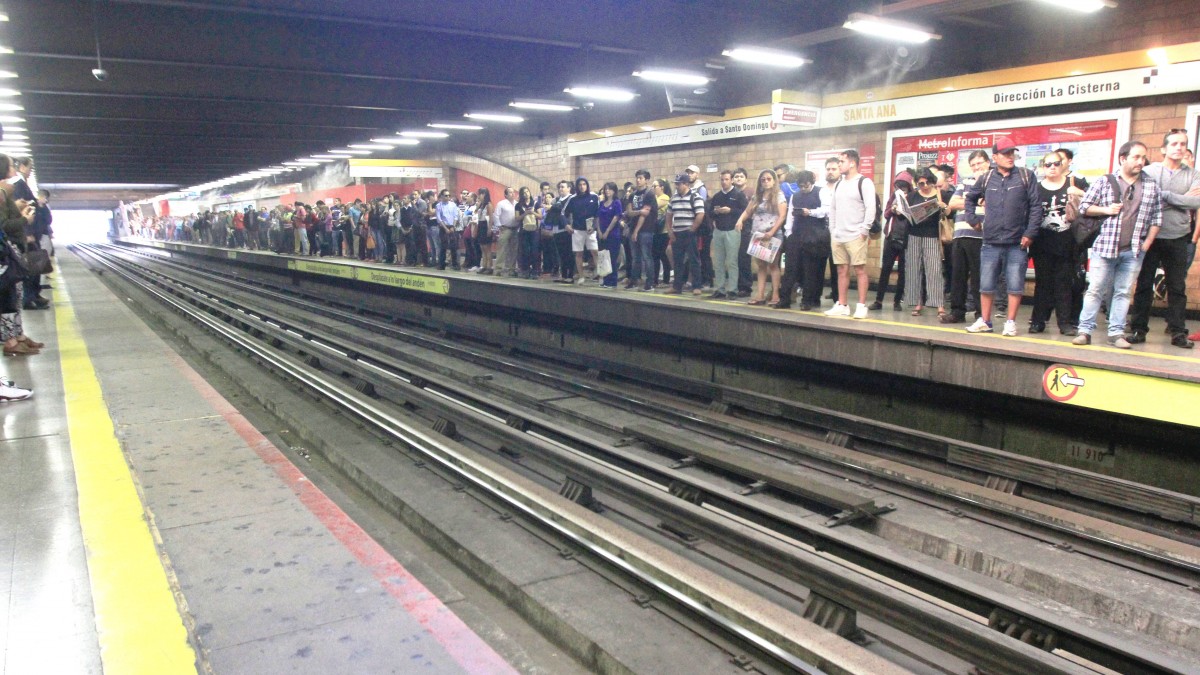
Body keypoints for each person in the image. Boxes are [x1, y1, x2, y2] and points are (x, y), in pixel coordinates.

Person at [1072, 141, 1162, 349]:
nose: (1141, 162)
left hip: (1133, 250)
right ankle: (1085, 331)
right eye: (1136, 157)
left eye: (1143, 157)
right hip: (1105, 247)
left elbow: (1157, 218)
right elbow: (1084, 207)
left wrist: (1147, 243)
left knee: (1123, 291)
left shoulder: (1150, 185)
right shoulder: (1105, 181)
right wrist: (1106, 210)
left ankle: (1116, 333)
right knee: (1095, 290)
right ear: (1123, 158)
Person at [1127, 129, 1200, 348]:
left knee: (1177, 287)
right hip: (1151, 236)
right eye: (1174, 144)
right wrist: (1181, 199)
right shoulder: (1149, 172)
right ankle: (1138, 329)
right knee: (1144, 284)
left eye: (1183, 144)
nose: (1179, 147)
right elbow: (1144, 199)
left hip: (1178, 236)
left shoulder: (1193, 174)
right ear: (1163, 149)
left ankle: (1178, 332)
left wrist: (1164, 196)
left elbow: (1196, 202)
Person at [963, 137, 1043, 336]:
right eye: (1005, 153)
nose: (1010, 157)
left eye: (1012, 153)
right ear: (995, 157)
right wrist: (972, 219)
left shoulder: (1026, 176)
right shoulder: (986, 178)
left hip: (1017, 241)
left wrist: (1030, 233)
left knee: (1015, 285)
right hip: (990, 241)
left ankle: (1010, 322)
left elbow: (1036, 206)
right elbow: (970, 198)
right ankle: (985, 321)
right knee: (986, 284)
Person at [1028, 151, 1085, 335]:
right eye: (1048, 164)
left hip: (1067, 241)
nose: (1052, 167)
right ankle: (1038, 321)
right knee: (1042, 283)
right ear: (1042, 167)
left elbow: (1093, 201)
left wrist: (1079, 193)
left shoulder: (1073, 183)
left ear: (1063, 165)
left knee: (1064, 283)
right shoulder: (1036, 188)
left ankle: (1065, 323)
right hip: (1042, 242)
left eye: (1056, 164)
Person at [825, 149, 876, 319]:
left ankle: (861, 306)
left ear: (852, 163)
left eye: (842, 161)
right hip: (838, 235)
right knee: (841, 270)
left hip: (856, 235)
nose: (839, 164)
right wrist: (833, 230)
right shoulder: (839, 184)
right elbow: (833, 209)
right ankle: (842, 304)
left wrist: (864, 230)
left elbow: (870, 208)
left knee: (860, 269)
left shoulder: (864, 182)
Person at [942, 151, 991, 324]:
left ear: (988, 162)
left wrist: (969, 200)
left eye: (980, 163)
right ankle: (957, 312)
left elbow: (992, 203)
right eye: (973, 165)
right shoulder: (966, 182)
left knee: (978, 277)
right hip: (960, 234)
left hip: (980, 236)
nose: (977, 167)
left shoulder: (993, 182)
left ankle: (981, 313)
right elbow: (953, 203)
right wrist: (976, 201)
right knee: (958, 276)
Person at [1, 153, 41, 356]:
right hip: (5, 251)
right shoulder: (2, 192)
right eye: (11, 165)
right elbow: (3, 224)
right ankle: (11, 341)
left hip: (10, 248)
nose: (14, 169)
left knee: (15, 294)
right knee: (7, 296)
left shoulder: (5, 191)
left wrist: (16, 207)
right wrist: (24, 219)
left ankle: (18, 336)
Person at [776, 170, 830, 310]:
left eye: (806, 185)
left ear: (812, 182)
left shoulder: (821, 192)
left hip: (814, 236)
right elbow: (790, 215)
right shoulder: (795, 196)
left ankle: (807, 300)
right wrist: (788, 233)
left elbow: (826, 210)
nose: (804, 188)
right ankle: (784, 299)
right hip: (796, 235)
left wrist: (810, 212)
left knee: (810, 270)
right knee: (790, 269)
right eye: (801, 186)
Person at [735, 169, 787, 306]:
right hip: (758, 234)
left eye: (769, 179)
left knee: (773, 265)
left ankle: (775, 294)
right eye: (763, 180)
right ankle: (760, 295)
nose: (766, 182)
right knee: (761, 265)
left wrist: (772, 232)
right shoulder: (757, 196)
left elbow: (782, 216)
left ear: (774, 181)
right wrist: (740, 220)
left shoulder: (779, 196)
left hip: (772, 235)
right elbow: (748, 211)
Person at [902, 168, 947, 317]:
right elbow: (905, 215)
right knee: (913, 269)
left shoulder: (940, 194)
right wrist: (899, 210)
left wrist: (944, 207)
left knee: (934, 269)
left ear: (933, 181)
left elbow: (948, 213)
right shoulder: (912, 196)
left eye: (928, 182)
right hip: (913, 234)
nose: (925, 186)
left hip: (932, 235)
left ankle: (938, 303)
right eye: (921, 183)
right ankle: (916, 302)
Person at [872, 170, 913, 312]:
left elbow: (915, 216)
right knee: (886, 269)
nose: (901, 189)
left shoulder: (913, 197)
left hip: (906, 238)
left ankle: (897, 301)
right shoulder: (893, 196)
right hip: (891, 237)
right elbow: (885, 213)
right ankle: (878, 300)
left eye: (904, 187)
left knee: (903, 271)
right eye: (898, 187)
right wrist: (893, 210)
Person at [708, 170, 748, 299]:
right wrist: (716, 212)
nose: (724, 182)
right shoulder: (717, 196)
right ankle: (719, 289)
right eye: (722, 180)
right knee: (718, 262)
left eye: (726, 179)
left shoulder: (738, 195)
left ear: (731, 180)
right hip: (719, 230)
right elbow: (710, 212)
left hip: (733, 231)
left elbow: (745, 211)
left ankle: (732, 290)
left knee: (732, 261)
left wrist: (730, 210)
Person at [665, 173, 705, 296]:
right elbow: (669, 215)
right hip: (677, 233)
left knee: (694, 260)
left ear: (686, 184)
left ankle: (696, 286)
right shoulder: (674, 198)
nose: (676, 186)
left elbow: (700, 214)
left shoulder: (695, 197)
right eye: (676, 184)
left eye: (679, 184)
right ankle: (677, 286)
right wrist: (670, 231)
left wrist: (692, 229)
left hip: (689, 233)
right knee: (677, 261)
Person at [625, 170, 657, 292]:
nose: (638, 180)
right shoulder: (633, 195)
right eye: (637, 178)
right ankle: (634, 280)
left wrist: (636, 231)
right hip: (633, 227)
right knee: (635, 257)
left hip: (646, 229)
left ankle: (650, 283)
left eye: (641, 178)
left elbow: (645, 214)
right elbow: (629, 212)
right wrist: (638, 211)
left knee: (646, 256)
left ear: (646, 180)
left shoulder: (649, 194)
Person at [565, 177, 599, 284]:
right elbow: (563, 213)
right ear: (577, 186)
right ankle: (581, 276)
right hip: (577, 230)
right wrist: (567, 225)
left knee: (595, 251)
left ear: (587, 185)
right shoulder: (572, 198)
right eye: (580, 184)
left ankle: (600, 275)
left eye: (584, 184)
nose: (582, 186)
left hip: (591, 230)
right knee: (579, 253)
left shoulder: (594, 196)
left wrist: (595, 227)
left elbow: (598, 214)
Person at [821, 157, 841, 305]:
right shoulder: (820, 189)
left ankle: (837, 297)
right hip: (821, 231)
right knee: (818, 264)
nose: (830, 172)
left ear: (840, 170)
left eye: (834, 169)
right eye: (828, 169)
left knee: (836, 265)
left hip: (837, 231)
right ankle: (814, 296)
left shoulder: (843, 188)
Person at [595, 182, 623, 288]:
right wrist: (599, 231)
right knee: (603, 257)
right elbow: (598, 218)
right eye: (606, 189)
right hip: (601, 234)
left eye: (609, 189)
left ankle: (612, 281)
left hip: (613, 234)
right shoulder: (602, 203)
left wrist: (607, 231)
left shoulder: (617, 203)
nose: (607, 191)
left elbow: (616, 218)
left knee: (612, 258)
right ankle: (605, 280)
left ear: (614, 191)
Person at [515, 187, 540, 279]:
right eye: (524, 192)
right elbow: (517, 218)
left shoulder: (536, 203)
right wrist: (525, 213)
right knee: (524, 251)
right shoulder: (518, 205)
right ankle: (525, 270)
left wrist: (532, 212)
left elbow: (540, 216)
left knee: (534, 250)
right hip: (523, 230)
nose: (526, 193)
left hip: (534, 230)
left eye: (527, 191)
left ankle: (535, 270)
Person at [494, 187, 519, 276]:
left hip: (515, 229)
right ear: (505, 195)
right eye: (510, 192)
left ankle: (511, 269)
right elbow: (496, 215)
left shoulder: (517, 204)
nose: (513, 194)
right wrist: (499, 226)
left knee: (513, 250)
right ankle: (498, 269)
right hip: (505, 229)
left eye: (513, 192)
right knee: (502, 249)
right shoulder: (501, 204)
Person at [652, 178, 672, 288]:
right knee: (655, 256)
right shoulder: (654, 197)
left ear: (662, 187)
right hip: (655, 231)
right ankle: (654, 280)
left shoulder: (665, 198)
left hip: (664, 231)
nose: (653, 188)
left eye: (655, 186)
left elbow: (653, 207)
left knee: (663, 256)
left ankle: (666, 280)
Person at [434, 190, 459, 270]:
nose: (447, 197)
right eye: (446, 195)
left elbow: (456, 216)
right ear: (441, 196)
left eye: (448, 195)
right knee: (443, 246)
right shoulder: (438, 206)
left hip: (452, 226)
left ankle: (455, 264)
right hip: (443, 227)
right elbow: (439, 218)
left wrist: (453, 226)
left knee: (454, 246)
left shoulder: (453, 205)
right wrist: (445, 228)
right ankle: (442, 264)